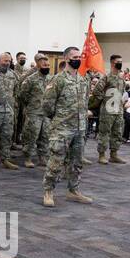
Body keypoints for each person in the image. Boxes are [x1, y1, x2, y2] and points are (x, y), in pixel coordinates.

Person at [42, 46, 93, 208]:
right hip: (62, 128)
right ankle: (48, 191)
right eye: (74, 57)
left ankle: (73, 190)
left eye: (79, 57)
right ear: (66, 59)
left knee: (76, 162)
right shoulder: (58, 80)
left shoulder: (83, 80)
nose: (78, 59)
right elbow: (47, 105)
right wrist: (59, 119)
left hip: (79, 128)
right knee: (56, 161)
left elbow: (85, 102)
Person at [92, 55, 127, 164]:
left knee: (117, 132)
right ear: (112, 63)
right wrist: (105, 100)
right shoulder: (106, 77)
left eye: (121, 61)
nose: (120, 64)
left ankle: (114, 154)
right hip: (107, 110)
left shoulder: (122, 79)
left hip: (118, 110)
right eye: (118, 62)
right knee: (104, 132)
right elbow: (97, 91)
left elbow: (121, 93)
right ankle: (101, 155)